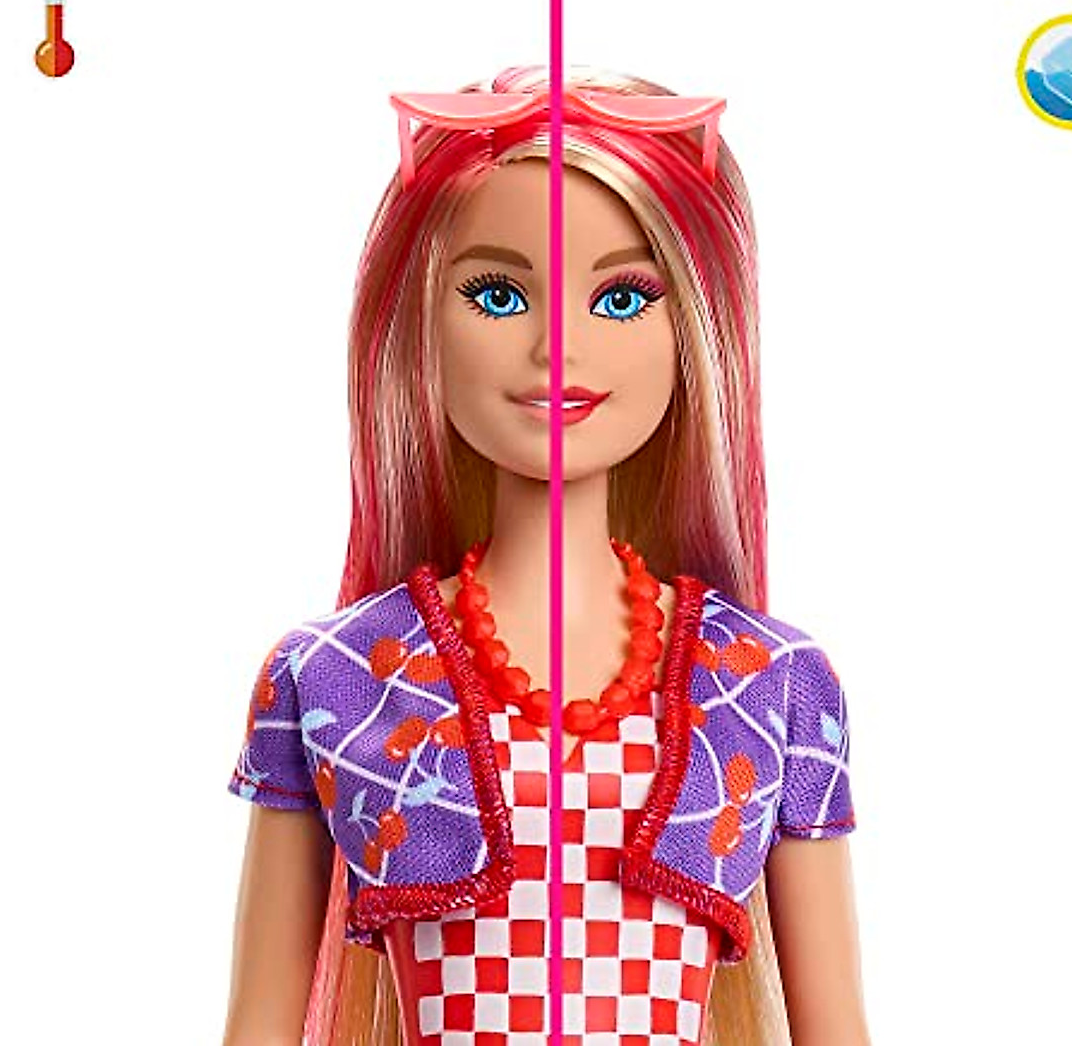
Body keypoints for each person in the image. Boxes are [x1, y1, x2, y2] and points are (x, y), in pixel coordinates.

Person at [222, 64, 870, 1045]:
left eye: (621, 298)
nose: (555, 347)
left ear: (697, 326)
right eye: (496, 293)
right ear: (416, 323)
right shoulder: (335, 678)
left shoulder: (768, 683)